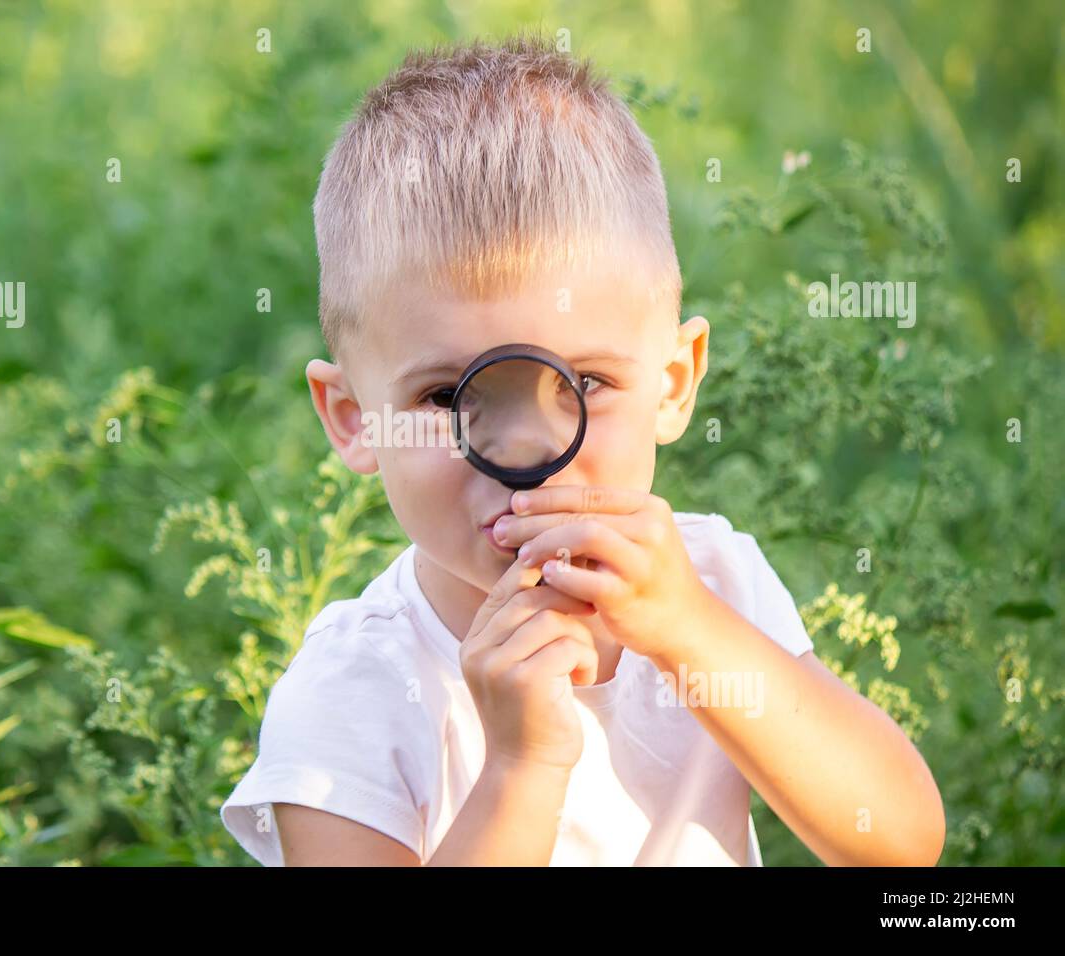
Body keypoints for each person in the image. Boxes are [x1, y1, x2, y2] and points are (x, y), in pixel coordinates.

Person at [219, 33, 945, 866]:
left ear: (673, 383)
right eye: (446, 399)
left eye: (584, 385)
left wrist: (690, 632)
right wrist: (520, 770)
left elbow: (900, 844)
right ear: (353, 419)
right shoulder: (350, 695)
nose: (528, 453)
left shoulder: (713, 582)